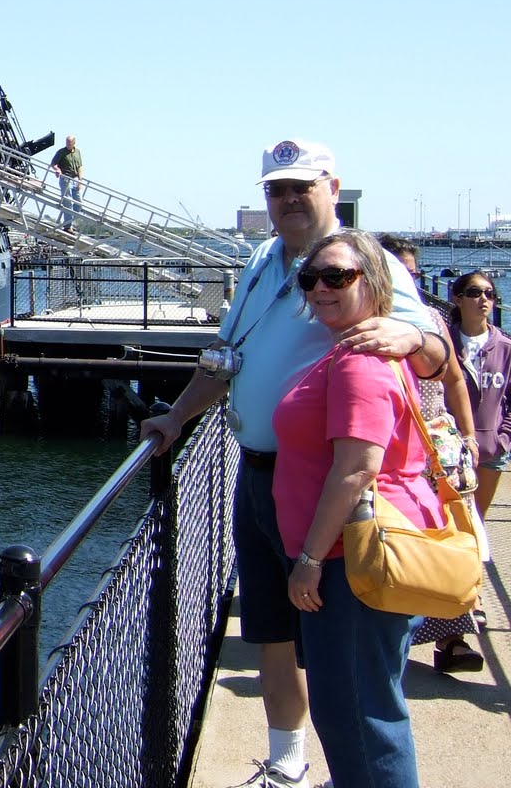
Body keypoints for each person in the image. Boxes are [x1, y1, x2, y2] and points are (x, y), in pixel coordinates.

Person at [140, 140, 446, 788]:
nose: (287, 200)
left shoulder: (362, 262)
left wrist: (414, 335)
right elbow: (226, 359)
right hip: (255, 475)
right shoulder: (262, 261)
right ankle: (287, 761)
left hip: (320, 489)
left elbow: (436, 350)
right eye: (276, 190)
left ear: (333, 186)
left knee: (349, 672)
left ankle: (363, 774)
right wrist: (177, 416)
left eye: (301, 187)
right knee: (271, 633)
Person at [273, 229, 443, 788]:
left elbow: (356, 469)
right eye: (310, 279)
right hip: (352, 559)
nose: (320, 288)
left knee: (359, 712)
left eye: (337, 277)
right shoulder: (351, 350)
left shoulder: (359, 363)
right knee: (358, 702)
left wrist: (310, 560)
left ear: (373, 282)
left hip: (351, 562)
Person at [377, 235, 483, 672]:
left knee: (446, 536)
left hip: (433, 447)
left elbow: (455, 381)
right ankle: (395, 631)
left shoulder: (433, 320)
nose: (410, 278)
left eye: (413, 270)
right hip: (386, 448)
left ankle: (453, 638)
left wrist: (469, 435)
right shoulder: (359, 321)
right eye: (399, 269)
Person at [449, 270, 511, 522]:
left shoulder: (505, 348)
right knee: (450, 520)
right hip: (448, 452)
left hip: (490, 451)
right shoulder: (444, 343)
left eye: (489, 294)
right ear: (458, 299)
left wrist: (503, 438)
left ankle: (476, 562)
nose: (483, 299)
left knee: (476, 520)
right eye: (474, 293)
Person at [49, 135, 83, 232]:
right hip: (65, 178)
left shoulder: (77, 152)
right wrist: (57, 169)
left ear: (74, 143)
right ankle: (68, 226)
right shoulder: (61, 152)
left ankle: (71, 223)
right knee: (67, 201)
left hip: (75, 178)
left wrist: (80, 181)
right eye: (67, 142)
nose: (68, 144)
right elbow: (53, 164)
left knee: (79, 203)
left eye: (70, 143)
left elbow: (80, 166)